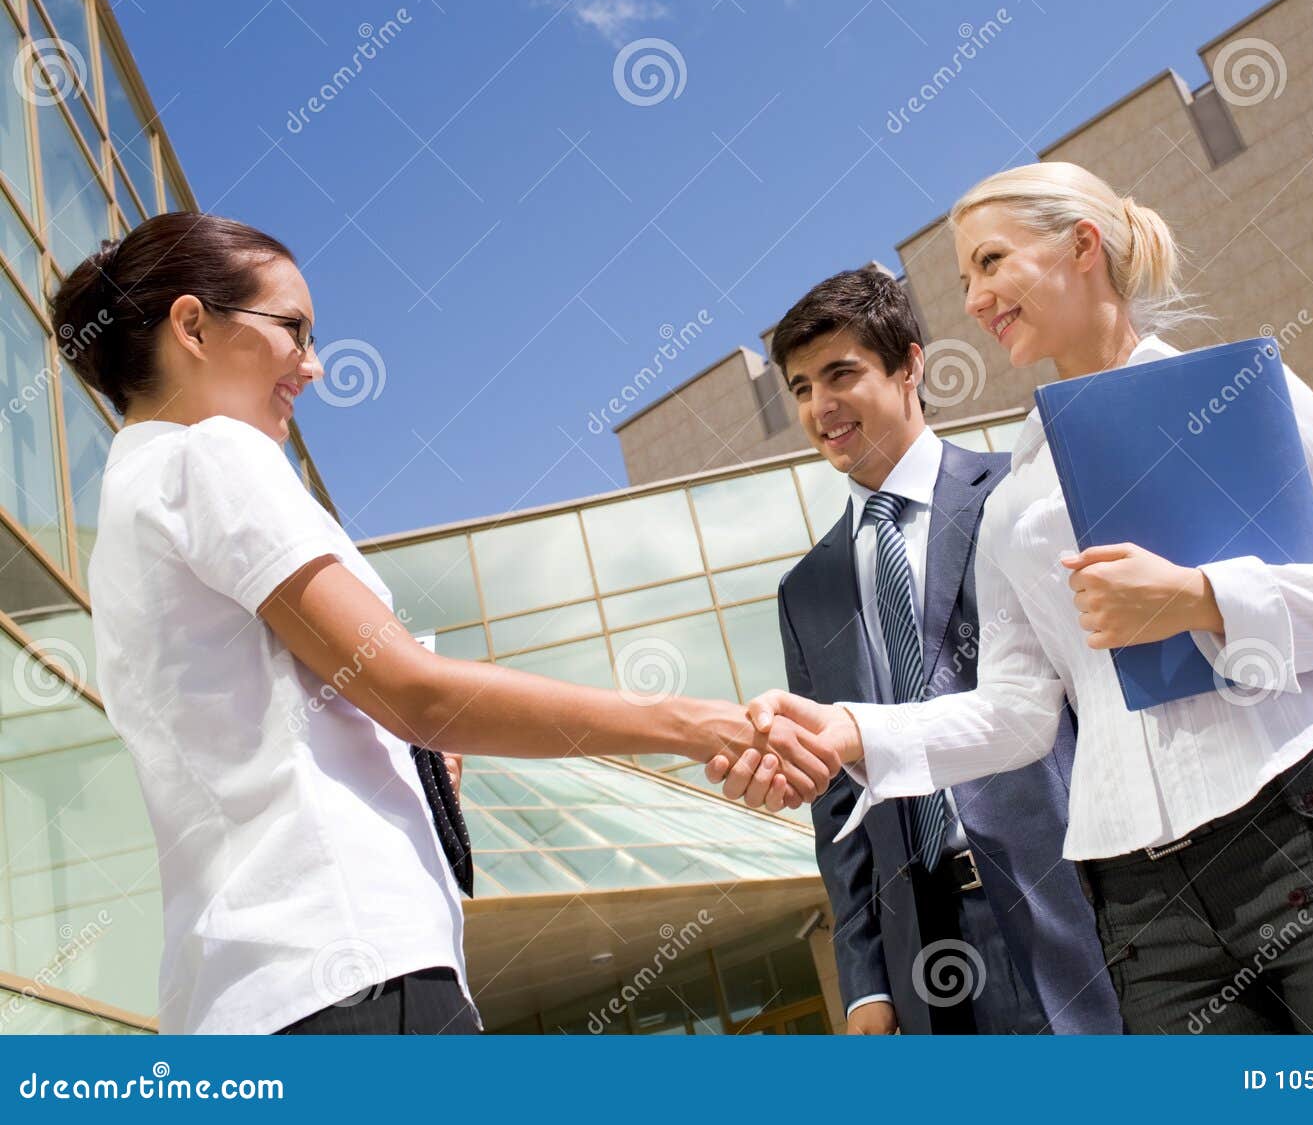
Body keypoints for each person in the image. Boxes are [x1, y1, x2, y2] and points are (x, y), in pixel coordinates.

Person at [719, 161, 1313, 1034]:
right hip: (1142, 910)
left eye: (992, 262)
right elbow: (1017, 714)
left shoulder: (1240, 391)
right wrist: (857, 729)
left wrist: (1205, 597)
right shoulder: (1015, 500)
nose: (974, 298)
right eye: (965, 279)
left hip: (1302, 838)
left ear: (1082, 246)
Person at [57, 212, 836, 1035]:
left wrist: (408, 759)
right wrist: (693, 723)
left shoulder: (130, 509)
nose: (314, 366)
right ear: (192, 325)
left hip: (249, 993)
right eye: (293, 329)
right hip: (350, 970)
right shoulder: (212, 452)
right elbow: (411, 690)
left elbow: (304, 725)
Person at [746, 268, 1119, 1034]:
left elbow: (1096, 693)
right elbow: (835, 801)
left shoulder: (1014, 496)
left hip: (1074, 897)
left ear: (911, 364)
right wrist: (864, 981)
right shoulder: (806, 589)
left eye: (841, 373)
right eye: (802, 387)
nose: (821, 407)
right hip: (928, 944)